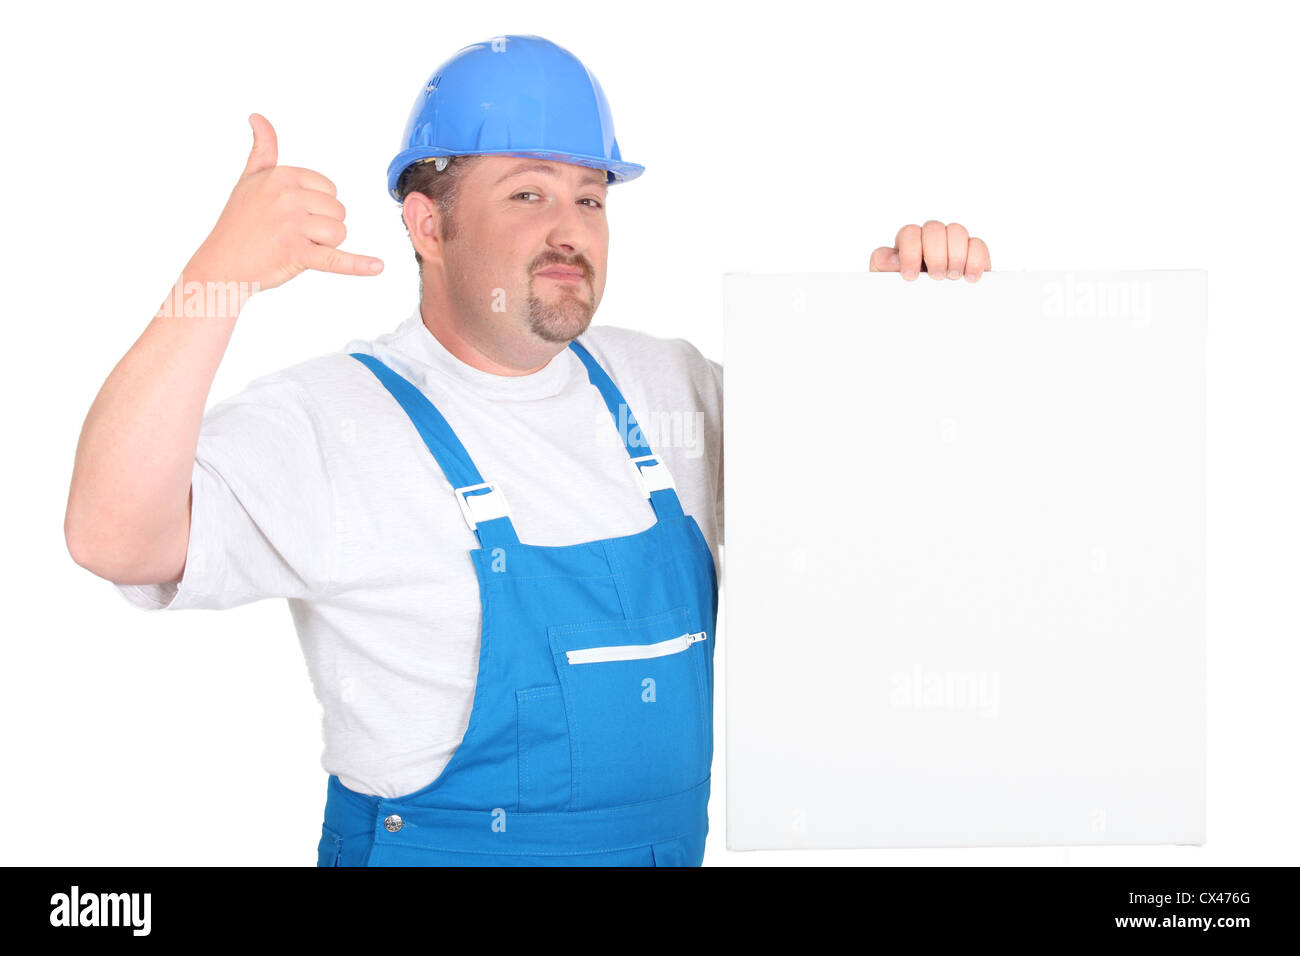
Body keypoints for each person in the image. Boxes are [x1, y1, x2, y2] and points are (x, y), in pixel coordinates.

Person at [63, 34, 991, 867]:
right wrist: (215, 281)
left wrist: (902, 327)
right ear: (429, 224)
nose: (570, 229)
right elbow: (115, 536)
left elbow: (886, 516)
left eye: (590, 197)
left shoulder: (666, 388)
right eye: (527, 193)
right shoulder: (332, 419)